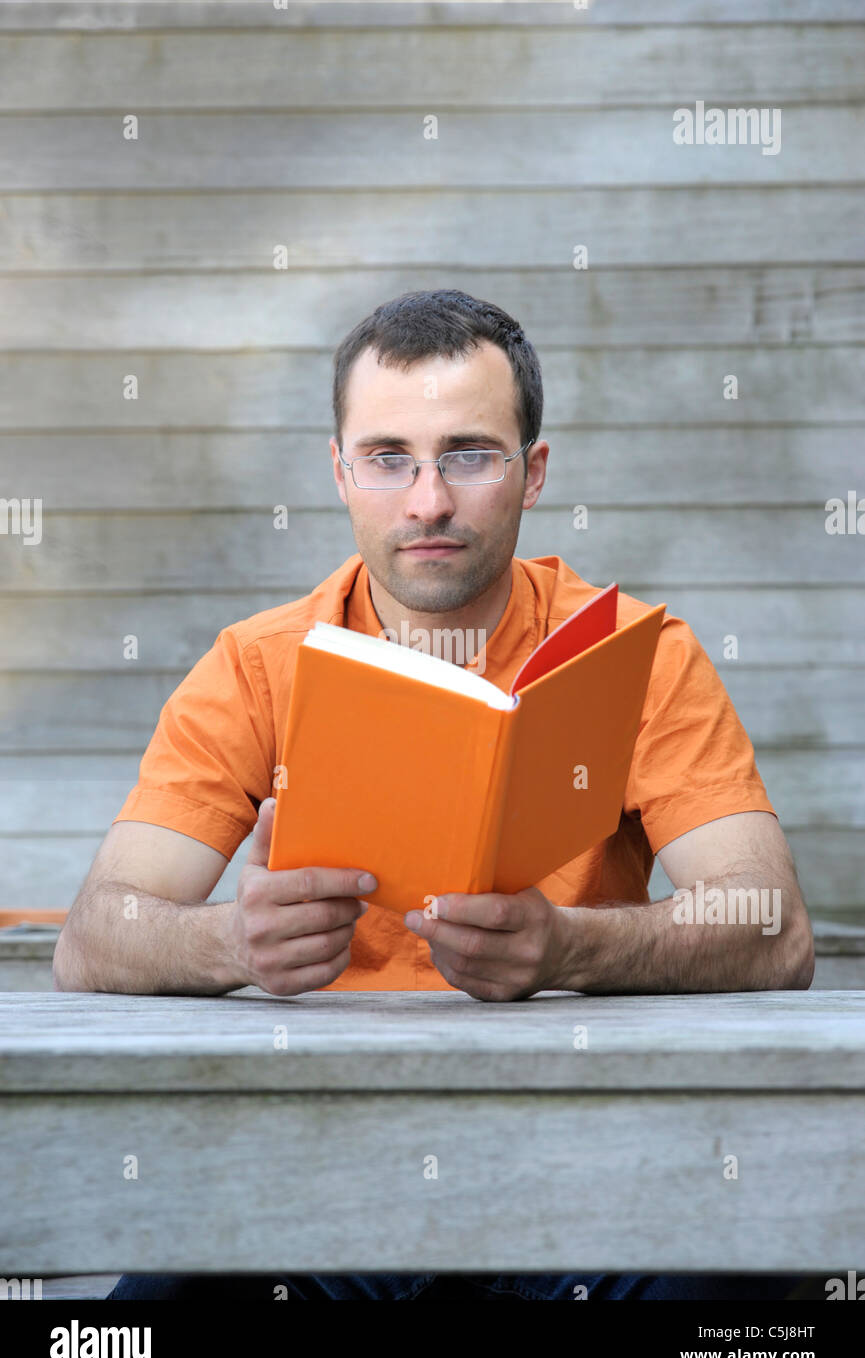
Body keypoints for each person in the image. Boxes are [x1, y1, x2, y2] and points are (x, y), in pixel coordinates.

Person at [55, 289, 815, 1301]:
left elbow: (773, 926)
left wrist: (574, 947)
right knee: (141, 1319)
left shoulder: (638, 657)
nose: (427, 501)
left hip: (584, 1168)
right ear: (338, 471)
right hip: (313, 1183)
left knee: (753, 1299)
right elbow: (95, 935)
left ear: (532, 473)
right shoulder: (254, 667)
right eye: (387, 458)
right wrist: (231, 943)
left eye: (468, 453)